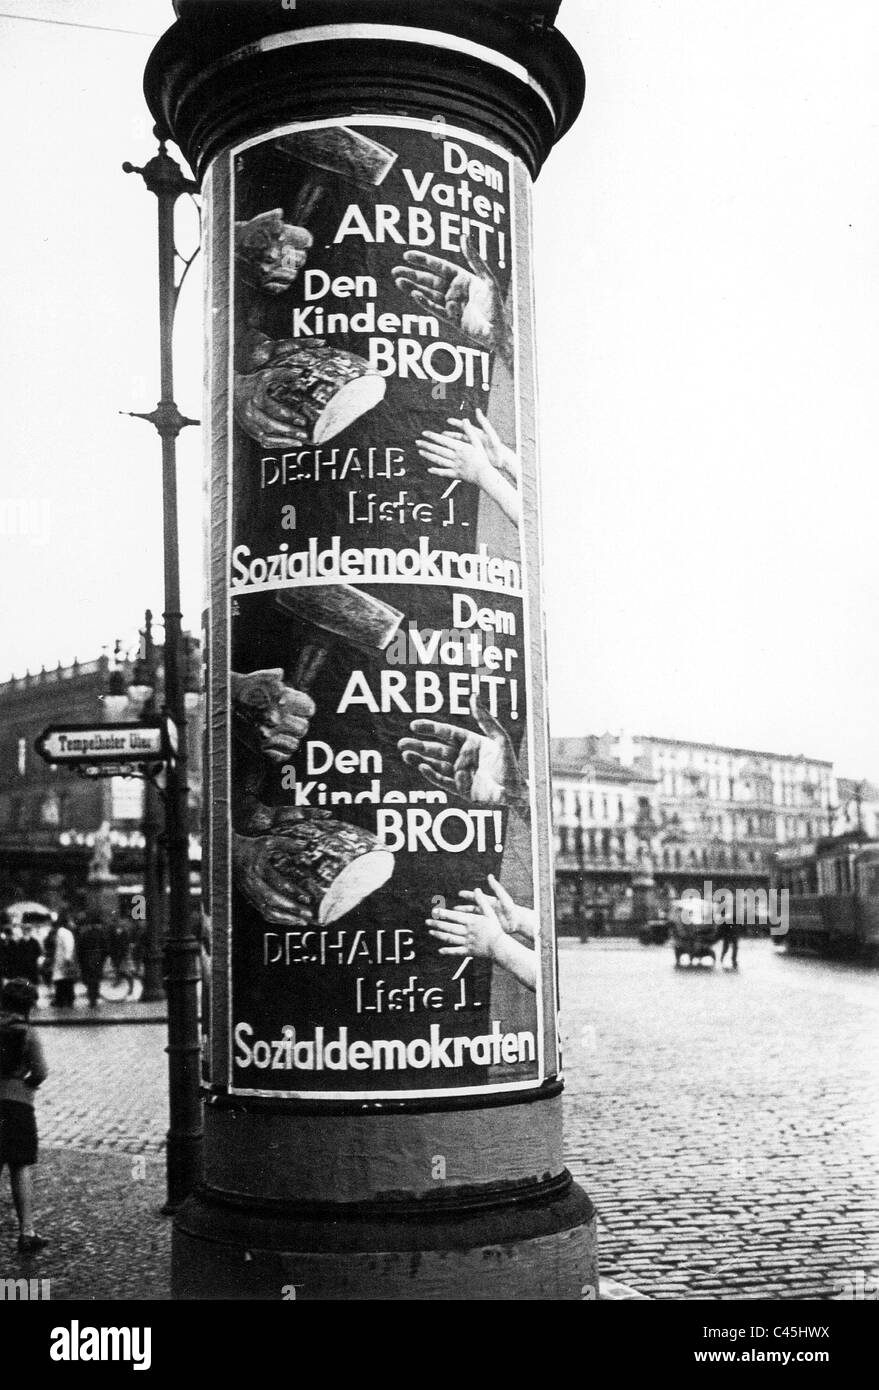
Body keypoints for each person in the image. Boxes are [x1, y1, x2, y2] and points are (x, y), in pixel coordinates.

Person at [0, 977, 49, 1253]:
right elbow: (40, 1071)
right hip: (18, 1104)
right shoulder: (28, 1033)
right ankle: (27, 1232)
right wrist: (25, 1085)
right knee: (20, 1167)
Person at [77, 918, 108, 1009]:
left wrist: (81, 961)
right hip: (98, 960)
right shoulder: (101, 934)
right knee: (96, 980)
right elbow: (106, 949)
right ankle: (94, 998)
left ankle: (91, 999)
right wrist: (103, 959)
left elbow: (80, 949)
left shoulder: (85, 935)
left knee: (89, 980)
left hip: (87, 960)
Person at [51, 916, 77, 1009]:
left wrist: (67, 959)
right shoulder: (65, 933)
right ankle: (65, 1001)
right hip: (64, 961)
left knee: (63, 982)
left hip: (62, 961)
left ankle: (62, 1001)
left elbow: (67, 947)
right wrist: (67, 959)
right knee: (65, 982)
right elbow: (68, 946)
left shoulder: (61, 932)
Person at [8, 923, 43, 989]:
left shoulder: (33, 942)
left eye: (28, 930)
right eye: (25, 929)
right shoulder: (21, 942)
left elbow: (38, 953)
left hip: (31, 967)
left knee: (30, 984)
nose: (26, 931)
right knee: (26, 984)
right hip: (25, 968)